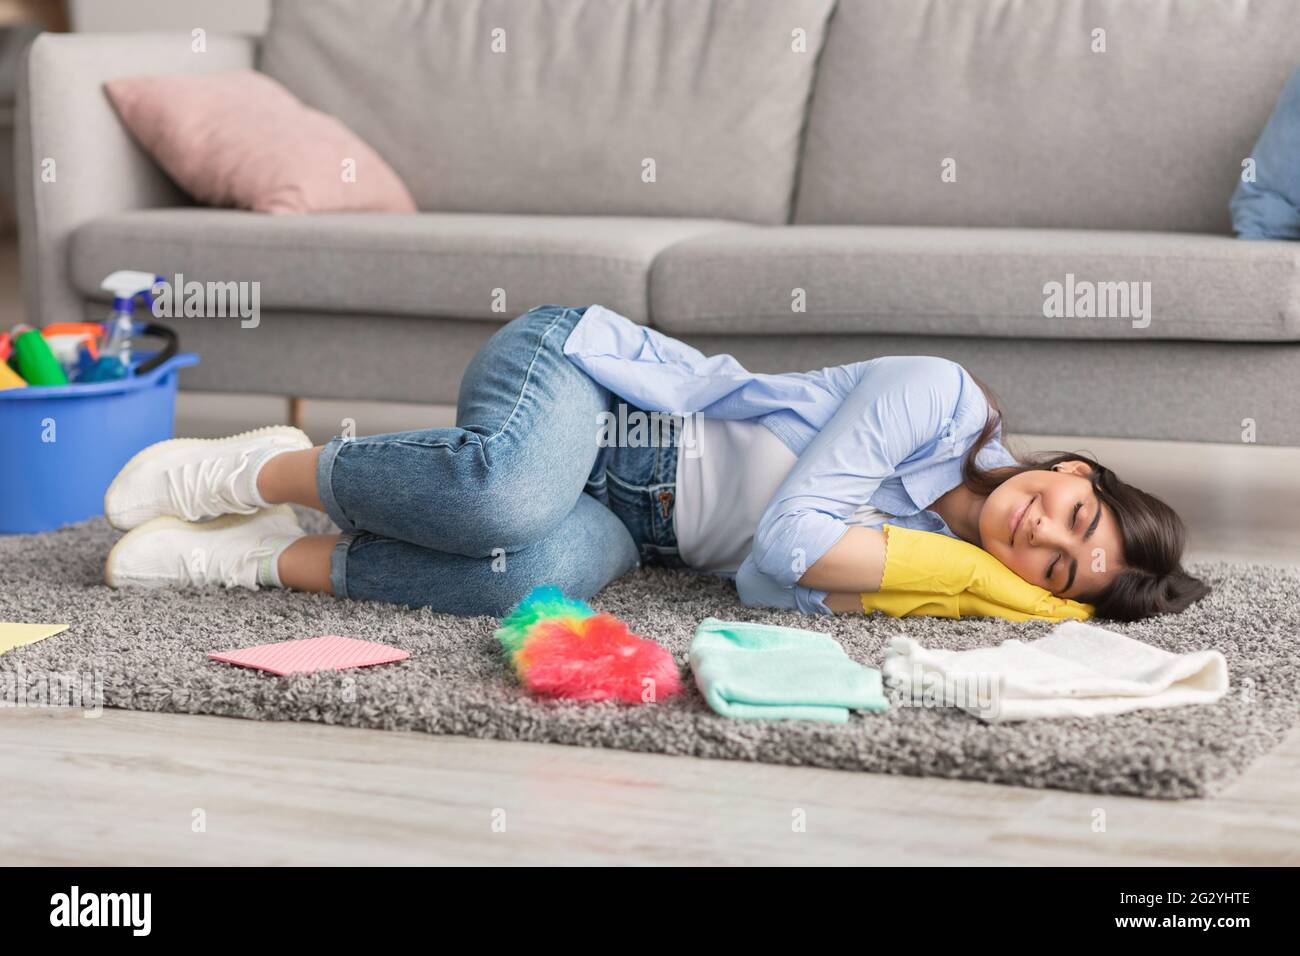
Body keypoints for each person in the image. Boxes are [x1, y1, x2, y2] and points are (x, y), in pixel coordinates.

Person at [103, 305, 1209, 621]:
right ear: (1072, 465)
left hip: (644, 528)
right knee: (504, 487)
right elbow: (784, 548)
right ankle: (263, 473)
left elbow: (766, 588)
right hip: (593, 385)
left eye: (1062, 567)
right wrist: (974, 578)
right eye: (1074, 509)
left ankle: (255, 561)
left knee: (518, 581)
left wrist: (962, 583)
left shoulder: (931, 562)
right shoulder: (937, 399)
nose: (1042, 533)